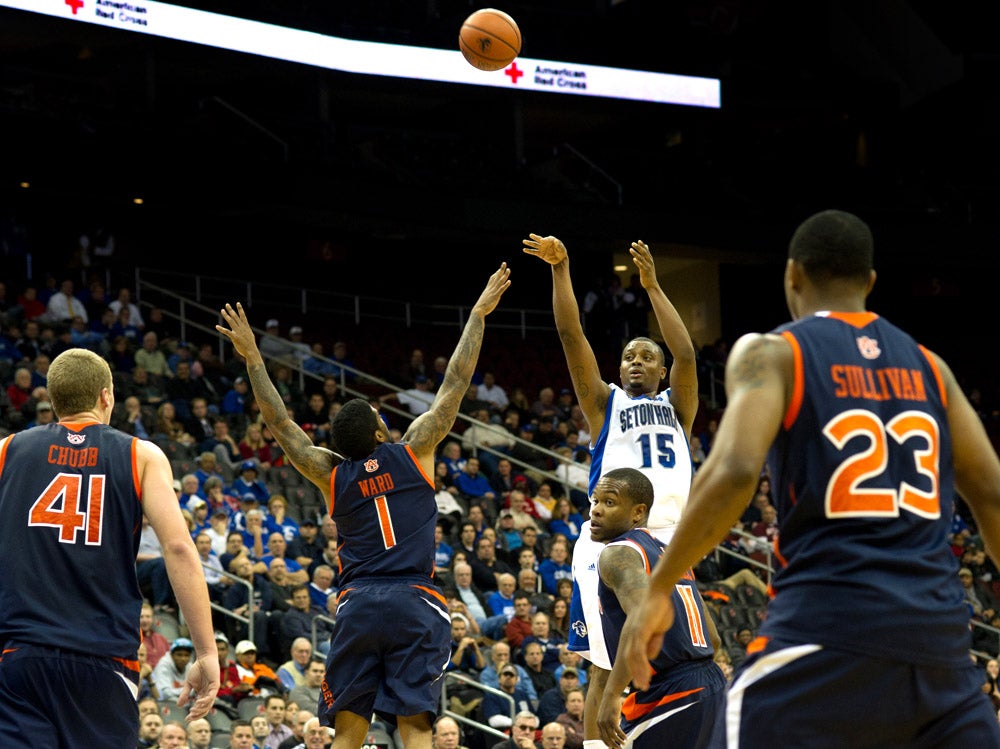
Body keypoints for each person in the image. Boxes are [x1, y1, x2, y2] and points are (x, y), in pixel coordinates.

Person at [617, 209, 1000, 746]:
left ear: (792, 274)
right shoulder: (933, 368)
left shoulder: (774, 353)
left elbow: (733, 471)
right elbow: (992, 494)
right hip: (941, 656)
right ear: (869, 281)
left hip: (824, 631)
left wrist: (660, 588)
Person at [216, 262, 511, 749]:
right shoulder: (415, 449)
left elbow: (280, 422)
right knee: (415, 726)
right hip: (416, 599)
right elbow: (455, 382)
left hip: (357, 605)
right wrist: (478, 313)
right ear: (380, 433)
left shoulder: (331, 473)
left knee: (349, 729)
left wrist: (253, 358)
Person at [524, 232, 700, 734]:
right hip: (615, 538)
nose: (636, 363)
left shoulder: (677, 407)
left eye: (646, 356)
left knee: (668, 659)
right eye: (628, 357)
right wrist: (561, 270)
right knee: (606, 662)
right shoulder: (605, 404)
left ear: (661, 371)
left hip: (669, 538)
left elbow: (687, 354)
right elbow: (570, 336)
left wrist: (652, 286)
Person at [0, 347, 218, 747]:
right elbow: (180, 549)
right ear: (106, 396)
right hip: (102, 659)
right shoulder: (142, 455)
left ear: (54, 398)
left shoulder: (7, 450)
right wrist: (206, 651)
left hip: (20, 656)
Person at [584, 468, 724, 749]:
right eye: (595, 501)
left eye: (609, 503)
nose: (596, 511)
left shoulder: (618, 553)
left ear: (638, 512)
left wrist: (611, 696)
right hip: (713, 685)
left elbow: (642, 618)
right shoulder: (672, 556)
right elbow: (715, 639)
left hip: (672, 693)